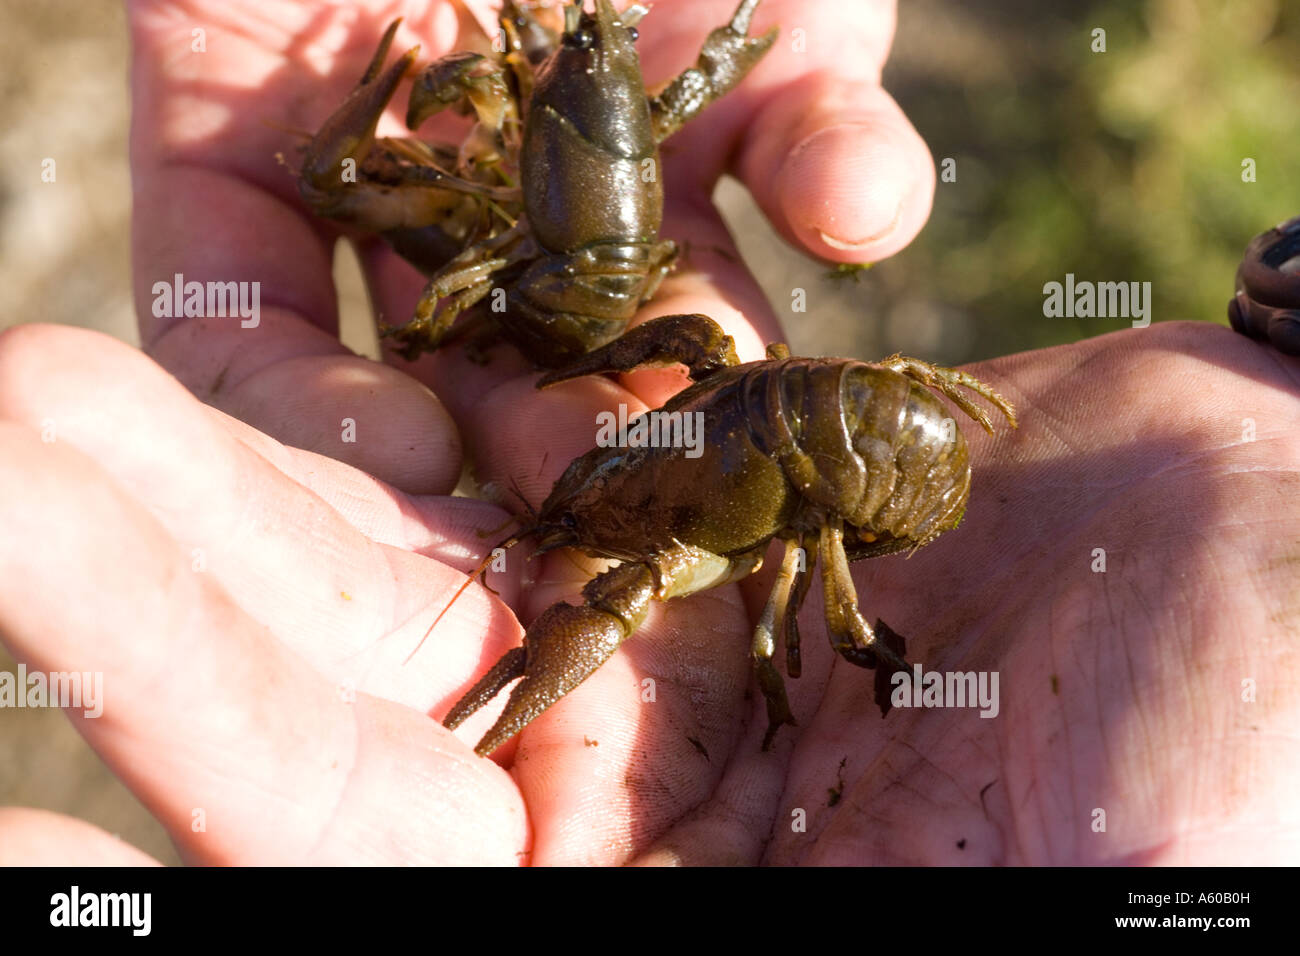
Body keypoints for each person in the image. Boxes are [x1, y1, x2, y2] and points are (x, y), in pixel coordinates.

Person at [0, 0, 1295, 865]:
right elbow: (699, 396)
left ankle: (500, 707)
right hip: (827, 417)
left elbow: (827, 617)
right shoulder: (700, 391)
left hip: (859, 451)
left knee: (633, 588)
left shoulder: (719, 532)